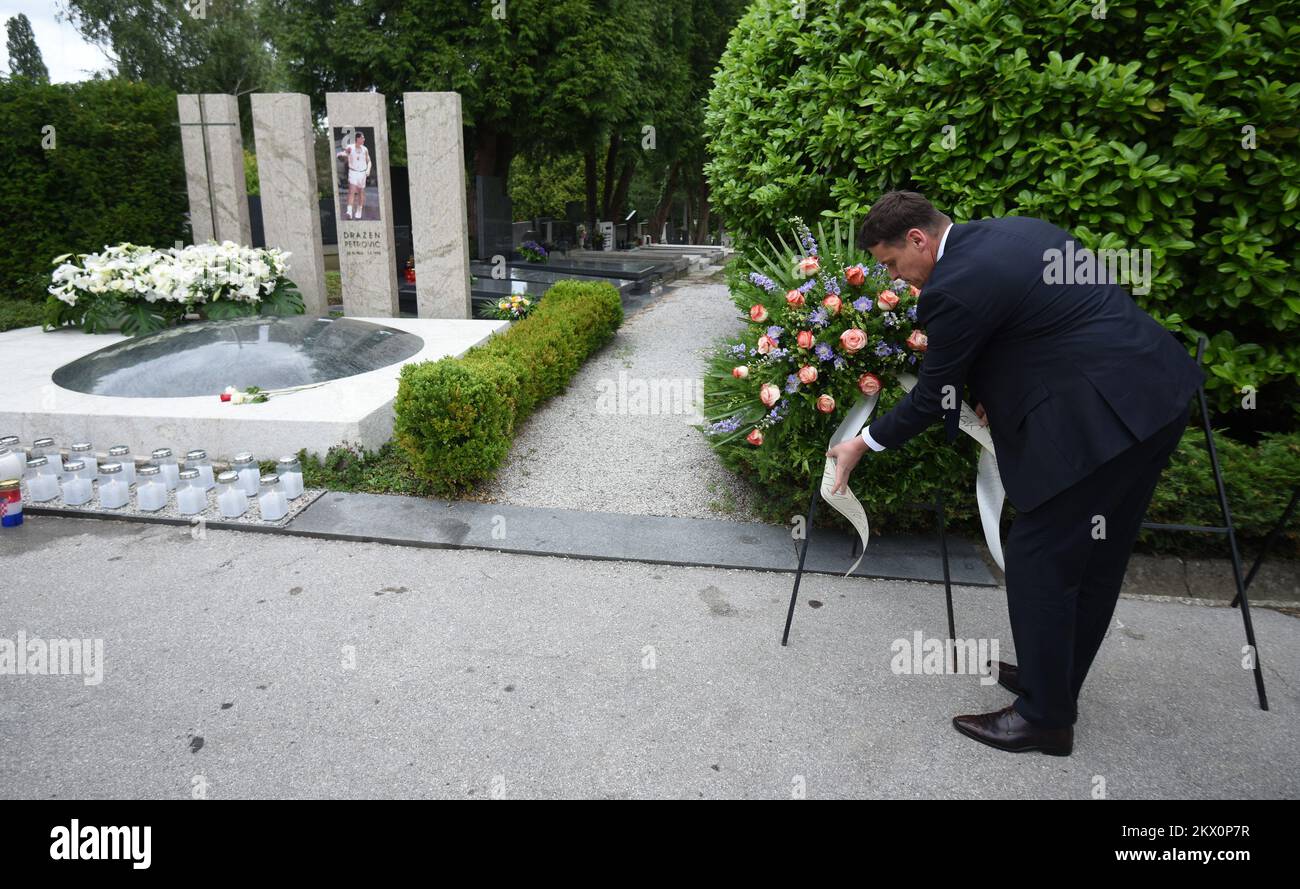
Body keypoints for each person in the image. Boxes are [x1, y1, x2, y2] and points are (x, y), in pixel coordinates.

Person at [826, 191, 1203, 756]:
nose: (897, 279)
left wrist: (863, 442)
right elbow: (1045, 323)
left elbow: (935, 396)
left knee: (1036, 557)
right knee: (1097, 558)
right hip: (1157, 395)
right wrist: (996, 389)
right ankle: (1051, 684)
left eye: (890, 263)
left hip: (1101, 422)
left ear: (918, 240)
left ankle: (1044, 720)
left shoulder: (951, 286)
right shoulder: (1020, 232)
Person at [336, 131, 372, 220]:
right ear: (357, 138)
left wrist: (368, 170)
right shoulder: (350, 147)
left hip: (362, 173)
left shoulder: (365, 149)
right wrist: (340, 154)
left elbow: (369, 162)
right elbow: (344, 154)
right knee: (351, 191)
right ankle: (349, 211)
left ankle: (359, 210)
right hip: (353, 172)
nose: (364, 139)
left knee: (361, 192)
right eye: (362, 138)